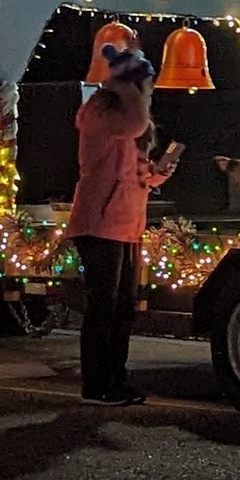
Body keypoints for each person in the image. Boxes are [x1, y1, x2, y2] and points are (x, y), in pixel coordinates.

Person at [67, 44, 177, 406]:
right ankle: (97, 384)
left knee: (123, 307)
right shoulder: (99, 112)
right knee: (104, 307)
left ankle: (116, 379)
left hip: (127, 223)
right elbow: (136, 123)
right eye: (145, 82)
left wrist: (157, 175)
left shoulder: (125, 117)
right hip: (99, 222)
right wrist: (131, 86)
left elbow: (134, 172)